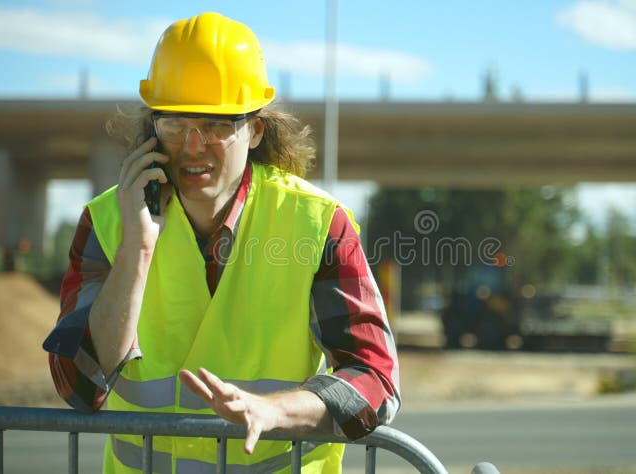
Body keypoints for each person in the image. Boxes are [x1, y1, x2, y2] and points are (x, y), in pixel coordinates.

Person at [43, 11, 399, 474]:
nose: (192, 145)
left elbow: (376, 378)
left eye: (215, 125)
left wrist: (275, 411)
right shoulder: (107, 223)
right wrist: (138, 249)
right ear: (153, 129)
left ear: (255, 130)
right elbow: (79, 387)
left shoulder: (318, 223)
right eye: (174, 123)